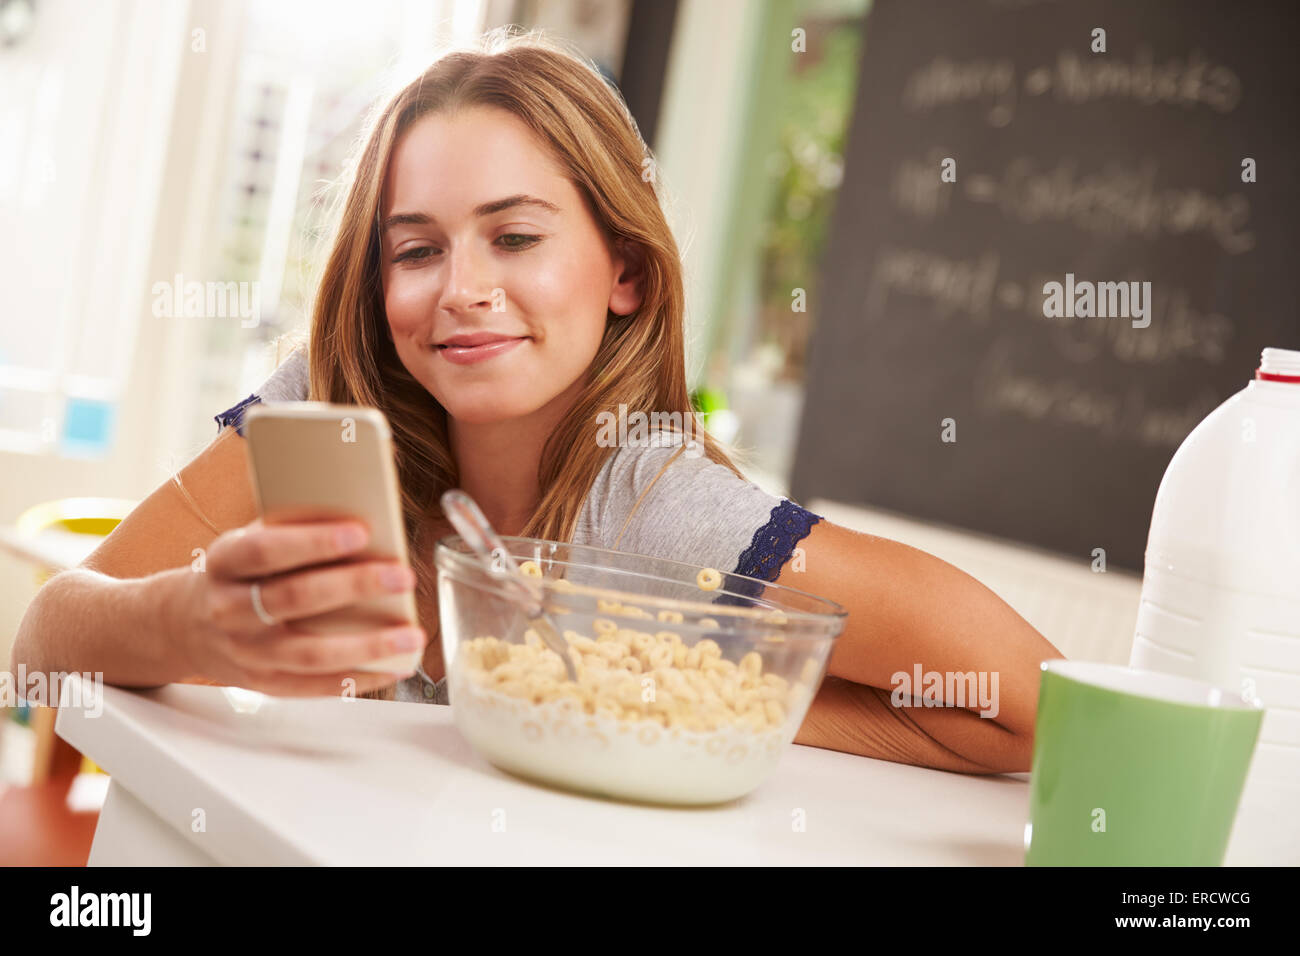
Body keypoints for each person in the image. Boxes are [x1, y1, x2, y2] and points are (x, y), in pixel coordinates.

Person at [12, 28, 1062, 774]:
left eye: (515, 236)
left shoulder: (657, 512)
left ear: (625, 275)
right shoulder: (331, 408)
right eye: (415, 248)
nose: (461, 287)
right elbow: (41, 648)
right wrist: (191, 624)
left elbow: (1035, 708)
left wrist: (658, 689)